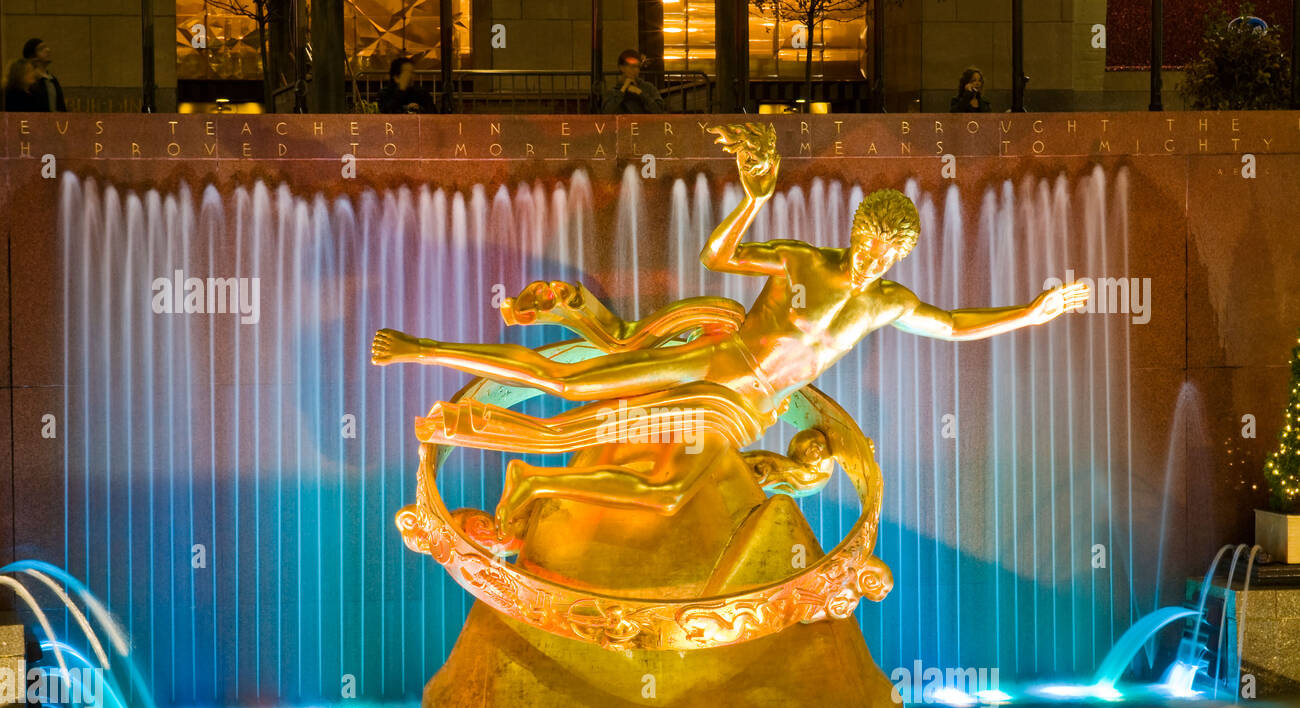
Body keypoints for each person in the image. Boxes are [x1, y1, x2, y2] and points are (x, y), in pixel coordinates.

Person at [372, 123, 1087, 535]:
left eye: (889, 255)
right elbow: (719, 256)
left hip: (749, 411)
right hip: (716, 365)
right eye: (870, 246)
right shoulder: (804, 262)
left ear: (901, 256)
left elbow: (956, 324)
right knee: (571, 382)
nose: (875, 262)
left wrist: (1032, 310)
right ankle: (423, 350)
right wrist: (750, 199)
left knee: (620, 454)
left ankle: (482, 441)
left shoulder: (887, 302)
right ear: (856, 233)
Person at [601, 49, 665, 114]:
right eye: (630, 66)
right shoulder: (613, 92)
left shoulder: (648, 88)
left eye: (636, 66)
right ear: (621, 68)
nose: (633, 70)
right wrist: (622, 90)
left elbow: (659, 111)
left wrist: (641, 94)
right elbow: (607, 113)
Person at [22, 38, 66, 112]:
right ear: (33, 57)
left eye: (46, 47)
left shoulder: (52, 80)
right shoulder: (29, 81)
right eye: (41, 49)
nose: (48, 50)